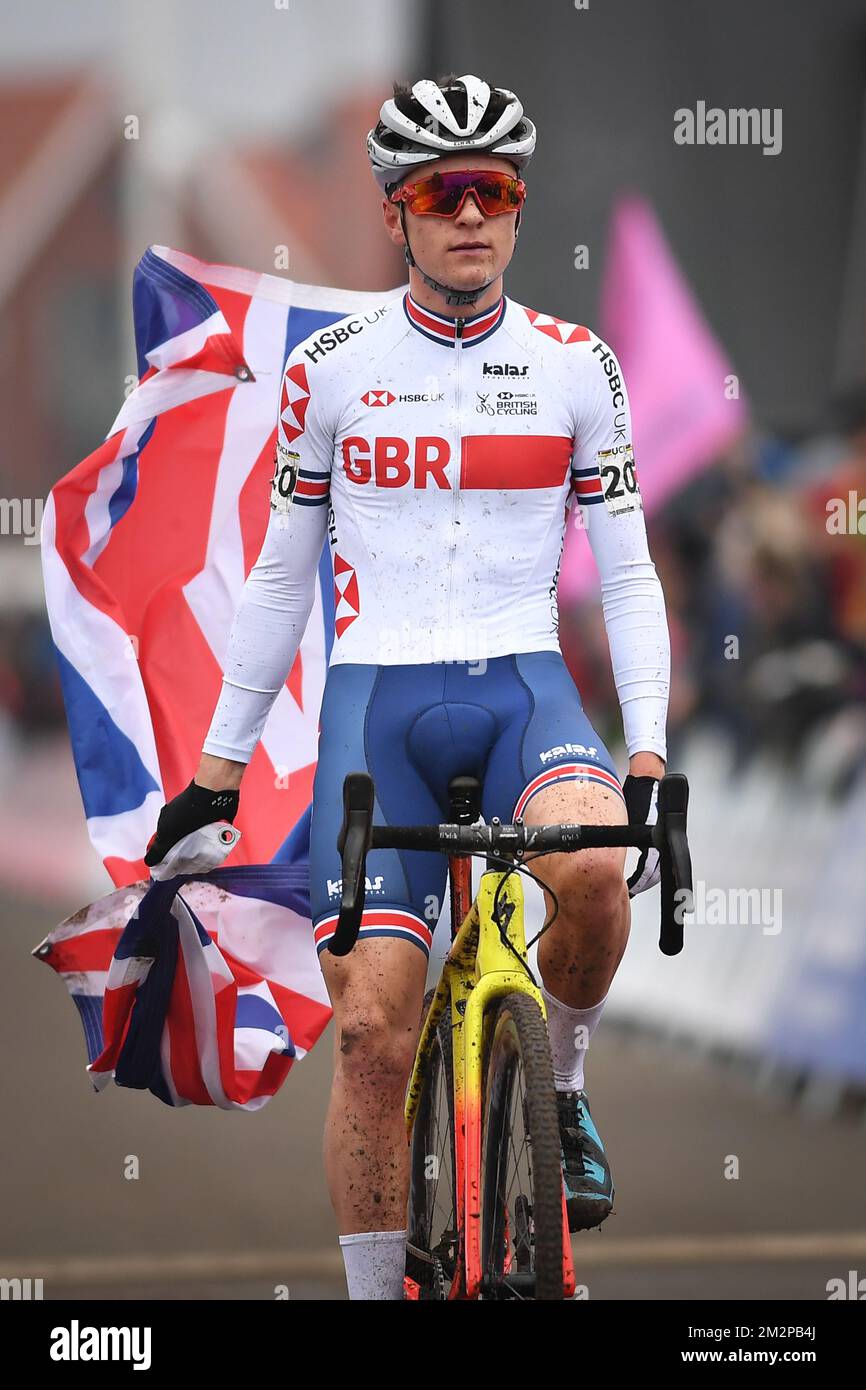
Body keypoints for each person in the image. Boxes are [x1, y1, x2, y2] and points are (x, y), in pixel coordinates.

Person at [144, 73, 671, 1301]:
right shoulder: (329, 370)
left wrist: (642, 749)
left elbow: (631, 576)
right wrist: (218, 771)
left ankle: (564, 1088)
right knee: (376, 1033)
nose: (471, 214)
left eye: (496, 190)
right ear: (397, 214)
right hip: (377, 709)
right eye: (444, 191)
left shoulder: (575, 367)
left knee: (593, 873)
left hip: (524, 692)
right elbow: (279, 583)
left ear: (520, 207)